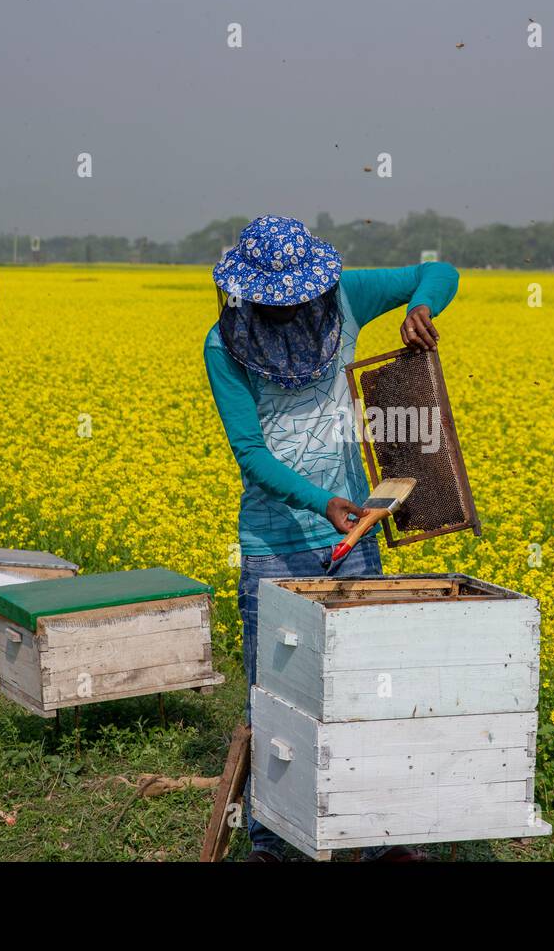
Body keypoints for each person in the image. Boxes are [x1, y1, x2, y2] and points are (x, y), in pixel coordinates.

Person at [203, 215, 459, 862]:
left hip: (357, 534)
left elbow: (440, 269)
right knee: (279, 700)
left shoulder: (346, 296)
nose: (292, 309)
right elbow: (250, 452)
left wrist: (421, 308)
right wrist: (323, 502)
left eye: (300, 298)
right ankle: (274, 844)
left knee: (367, 688)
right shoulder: (222, 345)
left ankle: (378, 841)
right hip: (273, 543)